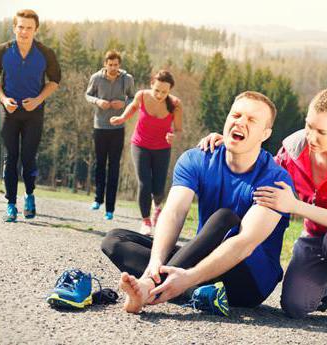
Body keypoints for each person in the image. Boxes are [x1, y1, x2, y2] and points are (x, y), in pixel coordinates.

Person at [200, 81, 327, 328]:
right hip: (315, 237)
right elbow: (262, 173)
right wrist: (232, 145)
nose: (311, 137)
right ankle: (326, 282)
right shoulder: (294, 149)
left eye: (322, 132)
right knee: (295, 306)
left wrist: (296, 207)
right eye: (309, 126)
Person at [101, 91, 294, 315]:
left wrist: (187, 276)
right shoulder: (197, 158)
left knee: (226, 218)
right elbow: (174, 213)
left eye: (252, 120)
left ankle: (153, 289)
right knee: (114, 240)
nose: (240, 122)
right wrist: (155, 262)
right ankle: (185, 289)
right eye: (236, 115)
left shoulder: (275, 178)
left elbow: (244, 244)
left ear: (265, 133)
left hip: (248, 280)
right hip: (201, 262)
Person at [0, 9, 61, 222]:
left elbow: (55, 80)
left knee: (28, 158)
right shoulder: (2, 51)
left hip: (33, 113)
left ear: (35, 30)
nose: (24, 31)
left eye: (29, 28)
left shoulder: (45, 53)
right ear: (14, 28)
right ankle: (11, 204)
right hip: (9, 111)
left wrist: (38, 100)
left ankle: (29, 195)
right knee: (10, 157)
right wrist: (2, 99)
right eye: (20, 27)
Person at [110, 70, 182, 235]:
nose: (159, 94)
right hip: (140, 145)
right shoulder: (142, 96)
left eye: (164, 92)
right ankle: (146, 221)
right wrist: (122, 118)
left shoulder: (176, 104)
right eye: (157, 90)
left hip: (162, 148)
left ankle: (157, 207)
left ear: (170, 90)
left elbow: (178, 130)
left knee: (158, 188)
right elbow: (133, 107)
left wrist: (173, 136)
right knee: (144, 183)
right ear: (151, 85)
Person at [85, 50, 135, 220]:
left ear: (119, 65)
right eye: (110, 64)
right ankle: (98, 199)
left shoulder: (127, 79)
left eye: (116, 65)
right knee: (100, 164)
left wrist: (124, 103)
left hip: (117, 128)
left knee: (114, 167)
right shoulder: (96, 78)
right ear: (105, 64)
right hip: (100, 126)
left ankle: (110, 208)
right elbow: (88, 95)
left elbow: (134, 98)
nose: (113, 68)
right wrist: (98, 101)